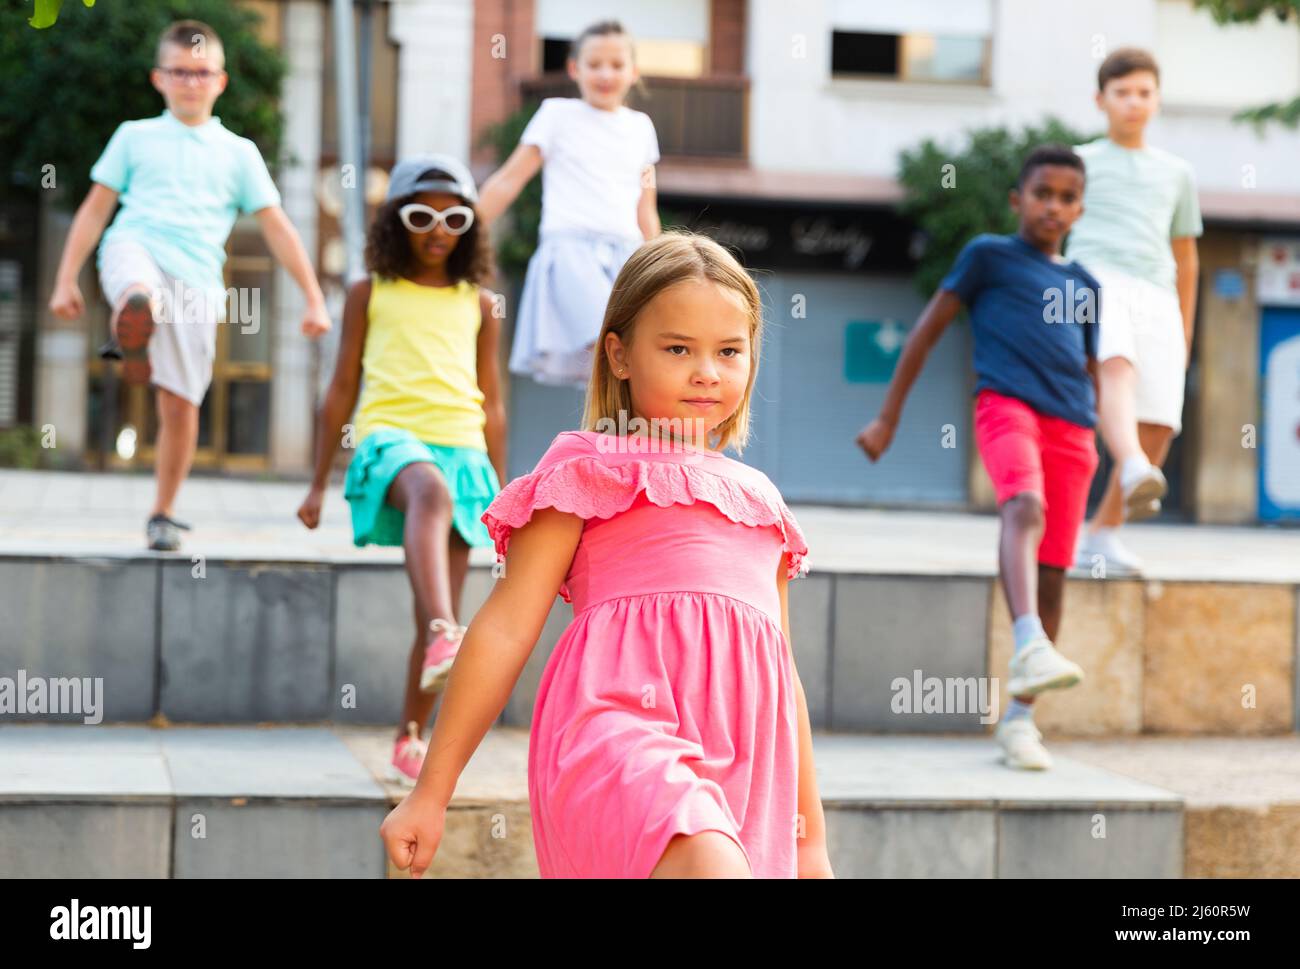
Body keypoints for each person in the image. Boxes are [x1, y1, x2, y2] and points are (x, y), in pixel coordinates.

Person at [379, 231, 833, 878]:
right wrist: (431, 791)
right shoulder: (586, 471)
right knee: (709, 860)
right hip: (614, 737)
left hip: (743, 765)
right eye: (678, 348)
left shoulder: (759, 501)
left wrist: (810, 842)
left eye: (729, 351)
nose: (707, 370)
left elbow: (784, 675)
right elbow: (506, 628)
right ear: (619, 355)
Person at [857, 146, 1101, 771]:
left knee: (1054, 574)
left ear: (1079, 208)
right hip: (1006, 407)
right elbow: (927, 331)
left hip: (1074, 428)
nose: (1054, 205)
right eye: (1043, 192)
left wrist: (1111, 443)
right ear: (1019, 199)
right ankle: (1029, 642)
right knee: (1023, 505)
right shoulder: (988, 256)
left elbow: (1093, 367)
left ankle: (1021, 721)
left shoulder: (1084, 285)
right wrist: (889, 416)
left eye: (1067, 197)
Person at [47, 19, 329, 551]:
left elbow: (277, 227)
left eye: (201, 73)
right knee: (138, 286)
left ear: (220, 81)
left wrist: (313, 296)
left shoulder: (239, 152)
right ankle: (133, 326)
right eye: (180, 71)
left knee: (180, 405)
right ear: (159, 78)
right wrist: (65, 280)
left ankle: (163, 511)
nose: (191, 82)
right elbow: (94, 212)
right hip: (136, 245)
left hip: (198, 282)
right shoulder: (134, 136)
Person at [296, 156, 505, 787]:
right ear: (397, 223)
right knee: (428, 493)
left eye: (454, 216)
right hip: (389, 438)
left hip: (464, 448)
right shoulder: (370, 292)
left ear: (469, 225)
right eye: (421, 215)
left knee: (429, 614)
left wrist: (504, 492)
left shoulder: (483, 304)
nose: (438, 228)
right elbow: (340, 387)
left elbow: (493, 401)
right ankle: (449, 630)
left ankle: (410, 735)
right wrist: (315, 481)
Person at [1067, 47, 1203, 575]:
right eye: (1122, 92)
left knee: (1161, 420)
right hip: (1093, 280)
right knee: (1116, 364)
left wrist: (1185, 330)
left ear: (1158, 100)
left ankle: (1103, 533)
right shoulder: (1079, 160)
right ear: (1101, 100)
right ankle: (1131, 465)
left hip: (1158, 294)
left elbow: (1186, 259)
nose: (1134, 102)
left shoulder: (1177, 173)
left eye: (1144, 92)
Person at [477, 19, 661, 388]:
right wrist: (463, 226)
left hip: (625, 255)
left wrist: (660, 264)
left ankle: (620, 434)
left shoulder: (641, 126)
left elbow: (646, 207)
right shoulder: (556, 115)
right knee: (608, 344)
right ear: (575, 69)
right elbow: (510, 179)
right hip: (571, 252)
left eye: (616, 64)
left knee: (634, 354)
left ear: (633, 72)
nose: (605, 74)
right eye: (594, 65)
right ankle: (609, 432)